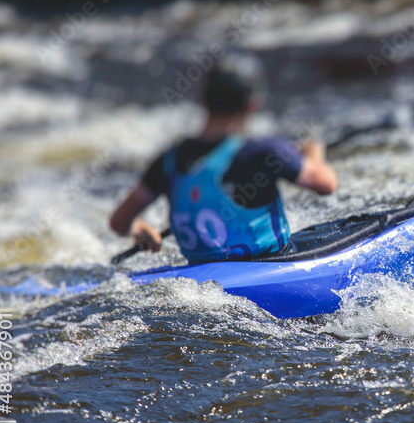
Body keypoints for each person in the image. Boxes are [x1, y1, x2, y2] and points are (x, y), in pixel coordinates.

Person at [110, 51, 337, 264]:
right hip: (269, 265)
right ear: (253, 104)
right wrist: (313, 155)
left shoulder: (168, 160)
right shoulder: (265, 152)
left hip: (200, 285)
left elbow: (119, 223)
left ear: (204, 99)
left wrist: (138, 229)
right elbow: (327, 185)